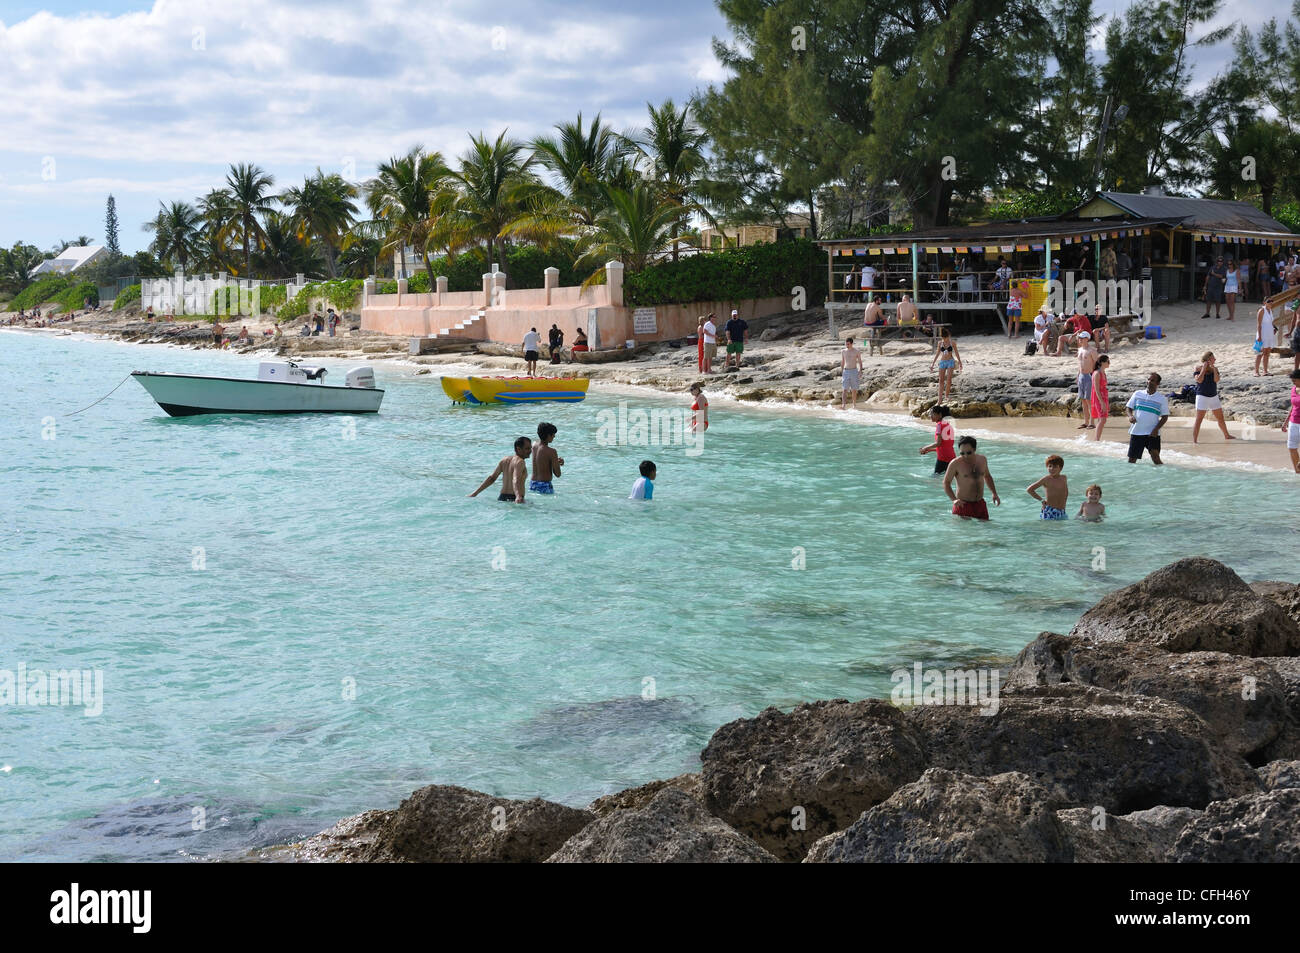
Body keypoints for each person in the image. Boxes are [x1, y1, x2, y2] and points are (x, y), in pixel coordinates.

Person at [943, 435, 1000, 520]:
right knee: (964, 533)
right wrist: (954, 500)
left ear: (974, 449)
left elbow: (987, 476)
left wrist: (994, 493)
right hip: (962, 505)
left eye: (968, 453)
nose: (965, 456)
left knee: (986, 531)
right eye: (962, 453)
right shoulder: (955, 464)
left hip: (980, 504)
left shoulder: (982, 460)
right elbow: (946, 482)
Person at [470, 436, 531, 503]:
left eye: (530, 448)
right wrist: (518, 496)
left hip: (502, 498)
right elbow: (515, 479)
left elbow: (492, 478)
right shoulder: (520, 462)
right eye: (527, 449)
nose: (530, 451)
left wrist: (475, 493)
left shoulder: (504, 460)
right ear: (518, 449)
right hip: (514, 498)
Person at [1126, 372, 1170, 465]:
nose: (1149, 382)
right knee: (1132, 460)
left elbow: (1165, 417)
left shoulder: (1162, 399)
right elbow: (1128, 408)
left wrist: (1156, 429)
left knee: (1156, 458)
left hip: (1152, 433)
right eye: (1149, 379)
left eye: (1153, 380)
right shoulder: (1137, 393)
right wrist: (1130, 416)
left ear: (1158, 384)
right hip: (1137, 431)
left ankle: (1163, 475)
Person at [1192, 351, 1236, 443]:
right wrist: (1204, 369)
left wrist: (1214, 369)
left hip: (1213, 396)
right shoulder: (1198, 368)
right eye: (1213, 358)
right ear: (1208, 359)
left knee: (1220, 418)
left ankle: (1226, 435)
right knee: (1199, 419)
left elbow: (1216, 380)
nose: (1215, 359)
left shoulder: (1214, 369)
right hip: (1202, 396)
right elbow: (1199, 380)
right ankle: (1195, 440)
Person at [1027, 454, 1069, 520]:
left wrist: (1064, 506)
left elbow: (1065, 493)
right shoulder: (1046, 479)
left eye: (1055, 467)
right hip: (1049, 511)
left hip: (1062, 511)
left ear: (1060, 468)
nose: (1052, 469)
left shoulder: (1064, 478)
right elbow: (1029, 489)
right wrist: (1042, 500)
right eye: (1050, 466)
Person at [919, 404, 956, 475]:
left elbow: (938, 443)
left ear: (940, 415)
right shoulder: (948, 425)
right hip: (952, 458)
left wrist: (925, 448)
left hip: (942, 459)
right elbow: (945, 446)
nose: (931, 416)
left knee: (934, 479)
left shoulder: (939, 425)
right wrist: (929, 450)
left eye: (933, 414)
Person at [530, 422, 563, 494]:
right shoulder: (552, 451)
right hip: (544, 485)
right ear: (548, 435)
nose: (554, 436)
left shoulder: (534, 445)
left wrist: (554, 461)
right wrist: (556, 463)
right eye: (553, 434)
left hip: (533, 483)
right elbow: (558, 474)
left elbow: (541, 461)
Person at [931, 327, 961, 403]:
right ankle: (939, 399)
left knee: (949, 380)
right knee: (941, 381)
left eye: (946, 337)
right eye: (943, 338)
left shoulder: (952, 343)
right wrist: (933, 363)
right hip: (942, 362)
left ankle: (946, 396)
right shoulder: (940, 343)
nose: (945, 339)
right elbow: (937, 353)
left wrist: (960, 362)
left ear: (949, 336)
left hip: (950, 361)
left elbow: (957, 353)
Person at [1074, 332, 1096, 430]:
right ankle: (1086, 422)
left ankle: (1092, 422)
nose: (1080, 339)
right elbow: (1080, 364)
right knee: (1083, 400)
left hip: (1089, 376)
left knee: (1089, 400)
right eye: (1079, 338)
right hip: (1081, 376)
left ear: (1087, 338)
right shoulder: (1080, 350)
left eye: (1082, 338)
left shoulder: (1092, 350)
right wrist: (1078, 375)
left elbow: (1097, 365)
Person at [1090, 354, 1110, 441]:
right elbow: (1096, 389)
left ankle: (1097, 439)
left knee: (1103, 419)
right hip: (1099, 398)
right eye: (1107, 361)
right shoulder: (1097, 373)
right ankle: (1096, 439)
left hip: (1104, 397)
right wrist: (1101, 402)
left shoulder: (1103, 372)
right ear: (1102, 362)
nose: (1109, 363)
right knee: (1102, 419)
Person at [841, 337, 863, 410]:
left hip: (854, 371)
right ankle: (843, 405)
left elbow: (860, 361)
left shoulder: (856, 351)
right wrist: (842, 371)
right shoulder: (843, 351)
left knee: (854, 389)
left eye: (848, 344)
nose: (847, 345)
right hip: (846, 371)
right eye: (846, 344)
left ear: (851, 344)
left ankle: (854, 404)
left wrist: (860, 371)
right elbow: (843, 361)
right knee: (844, 389)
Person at [1256, 301, 1277, 376]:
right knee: (1260, 352)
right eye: (1269, 302)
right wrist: (1259, 336)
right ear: (1264, 302)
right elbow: (1259, 324)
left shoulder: (1270, 310)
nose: (1271, 303)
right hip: (1263, 333)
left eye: (1272, 301)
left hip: (1269, 333)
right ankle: (1256, 372)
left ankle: (1265, 371)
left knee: (1267, 353)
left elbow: (1271, 323)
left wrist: (1274, 329)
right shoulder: (1262, 310)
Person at [1287, 369, 1300, 473]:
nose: (1293, 382)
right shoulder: (1293, 389)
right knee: (1291, 447)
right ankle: (1297, 473)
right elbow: (1293, 406)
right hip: (1293, 422)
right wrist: (1286, 422)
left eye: (1295, 380)